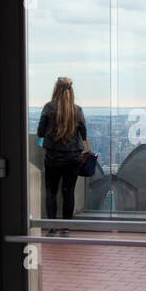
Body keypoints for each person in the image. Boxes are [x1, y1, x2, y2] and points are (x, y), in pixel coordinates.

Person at [37, 77, 89, 235]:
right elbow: (84, 134)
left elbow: (40, 132)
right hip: (73, 158)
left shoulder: (48, 108)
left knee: (51, 192)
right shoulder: (77, 110)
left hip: (53, 157)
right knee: (68, 192)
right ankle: (65, 228)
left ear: (56, 90)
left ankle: (52, 226)